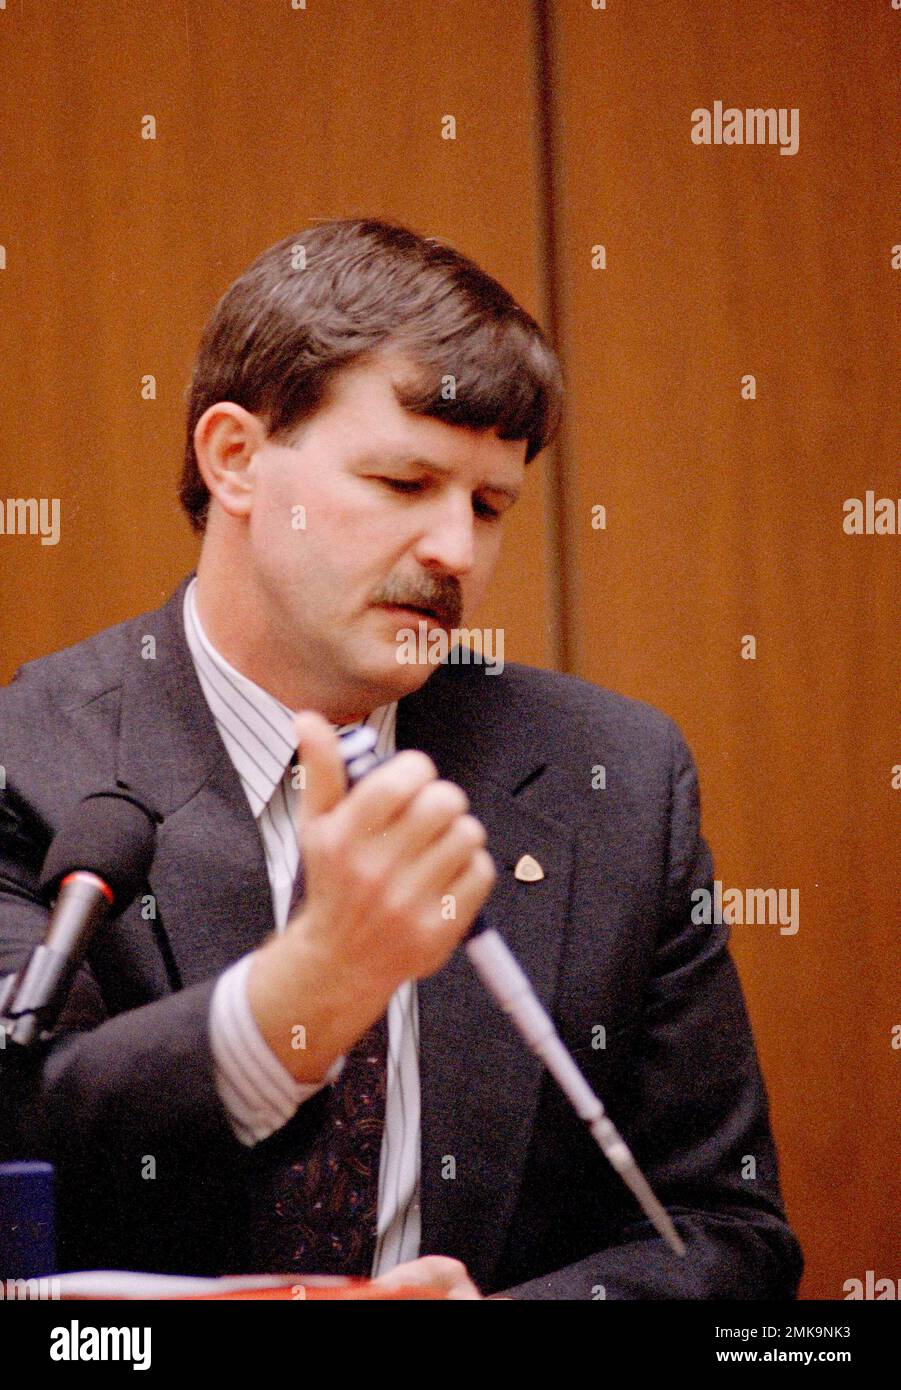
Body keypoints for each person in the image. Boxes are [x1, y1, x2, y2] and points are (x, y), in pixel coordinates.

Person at [0, 218, 803, 1299]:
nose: (455, 554)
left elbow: (723, 1231)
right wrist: (310, 988)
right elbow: (35, 1116)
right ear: (234, 458)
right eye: (402, 483)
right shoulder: (29, 760)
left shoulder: (614, 777)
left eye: (488, 506)